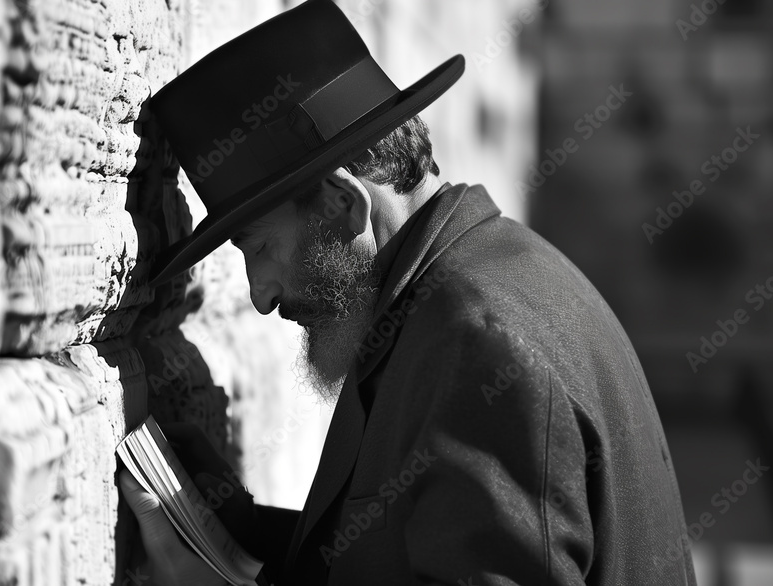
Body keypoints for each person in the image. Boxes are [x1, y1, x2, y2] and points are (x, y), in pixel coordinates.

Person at [120, 1, 697, 584]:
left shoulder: (479, 343)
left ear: (344, 205)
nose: (262, 295)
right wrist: (238, 525)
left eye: (259, 247)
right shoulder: (464, 288)